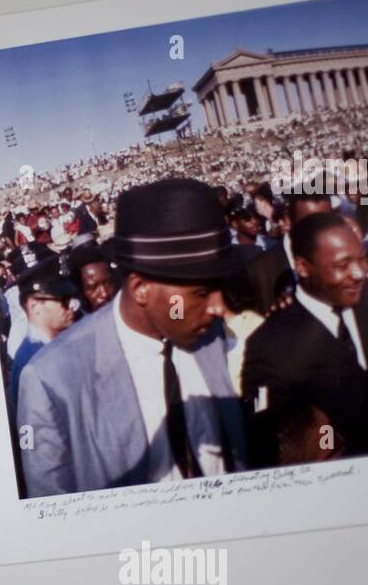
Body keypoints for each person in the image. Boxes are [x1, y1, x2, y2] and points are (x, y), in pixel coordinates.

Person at [16, 179, 246, 498]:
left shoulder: (206, 330)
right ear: (140, 289)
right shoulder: (51, 380)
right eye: (202, 292)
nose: (220, 308)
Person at [242, 214, 368, 465]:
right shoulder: (269, 344)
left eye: (362, 259)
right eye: (342, 264)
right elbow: (270, 437)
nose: (359, 273)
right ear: (302, 266)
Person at [7, 259, 78, 414]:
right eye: (63, 300)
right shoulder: (31, 362)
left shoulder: (54, 346)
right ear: (35, 306)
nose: (72, 305)